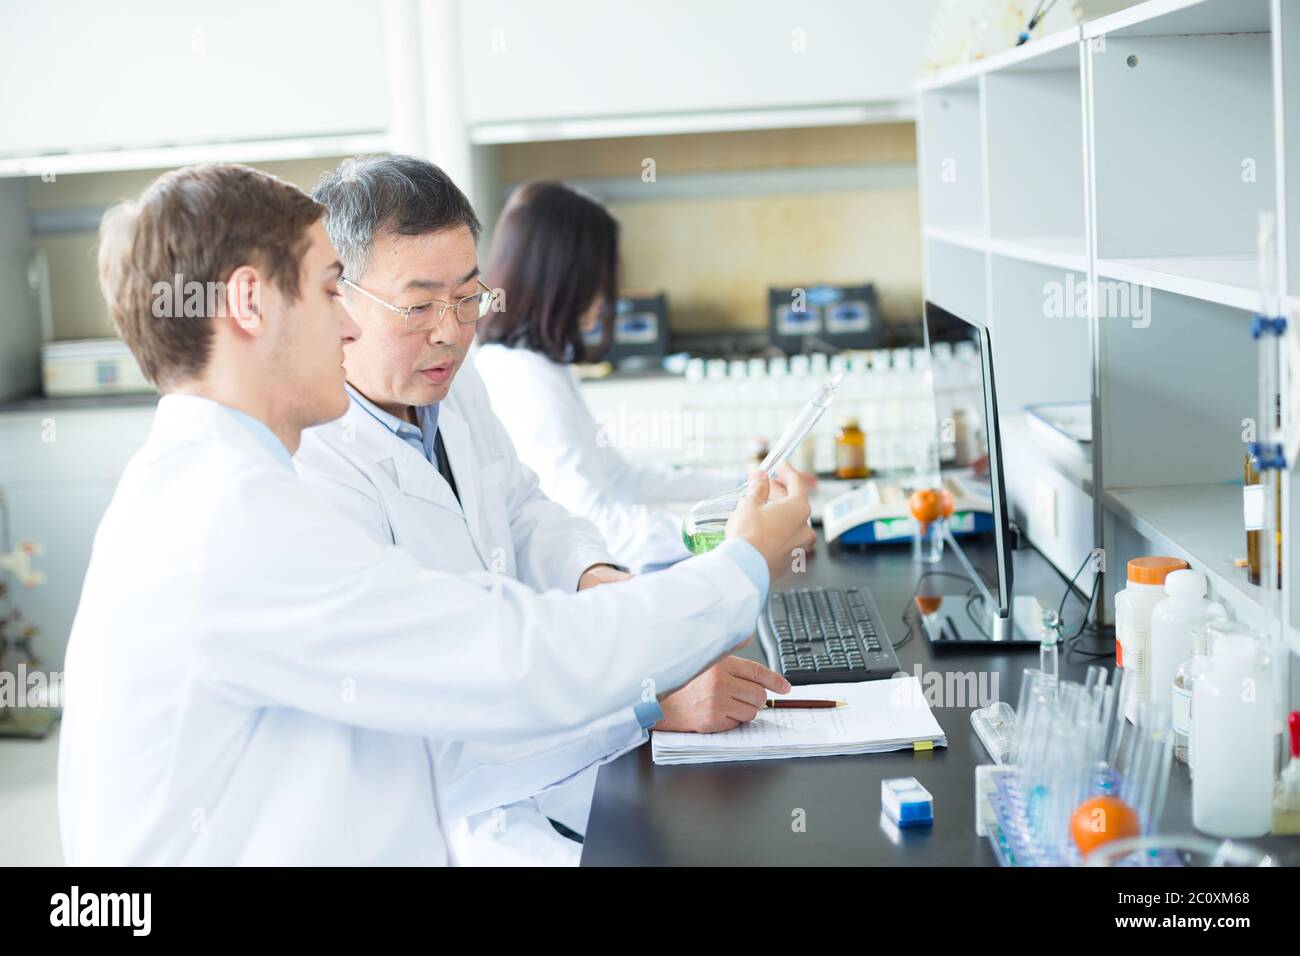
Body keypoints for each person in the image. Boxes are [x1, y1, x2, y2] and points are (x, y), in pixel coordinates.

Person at [57, 162, 813, 865]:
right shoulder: (233, 519)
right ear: (252, 304)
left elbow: (515, 523)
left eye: (464, 298)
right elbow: (508, 663)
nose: (347, 327)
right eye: (329, 292)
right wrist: (739, 567)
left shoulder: (222, 484)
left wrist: (611, 600)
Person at [295, 156, 792, 865]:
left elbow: (523, 508)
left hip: (552, 772)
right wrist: (646, 703)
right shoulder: (316, 472)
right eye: (420, 304)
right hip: (447, 824)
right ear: (336, 299)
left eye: (469, 297)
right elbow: (445, 724)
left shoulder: (449, 387)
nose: (452, 331)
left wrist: (606, 585)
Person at [474, 182, 747, 572]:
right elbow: (597, 525)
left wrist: (743, 488)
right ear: (566, 278)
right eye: (600, 275)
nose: (606, 295)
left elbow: (620, 479)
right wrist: (735, 531)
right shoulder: (523, 383)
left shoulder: (540, 365)